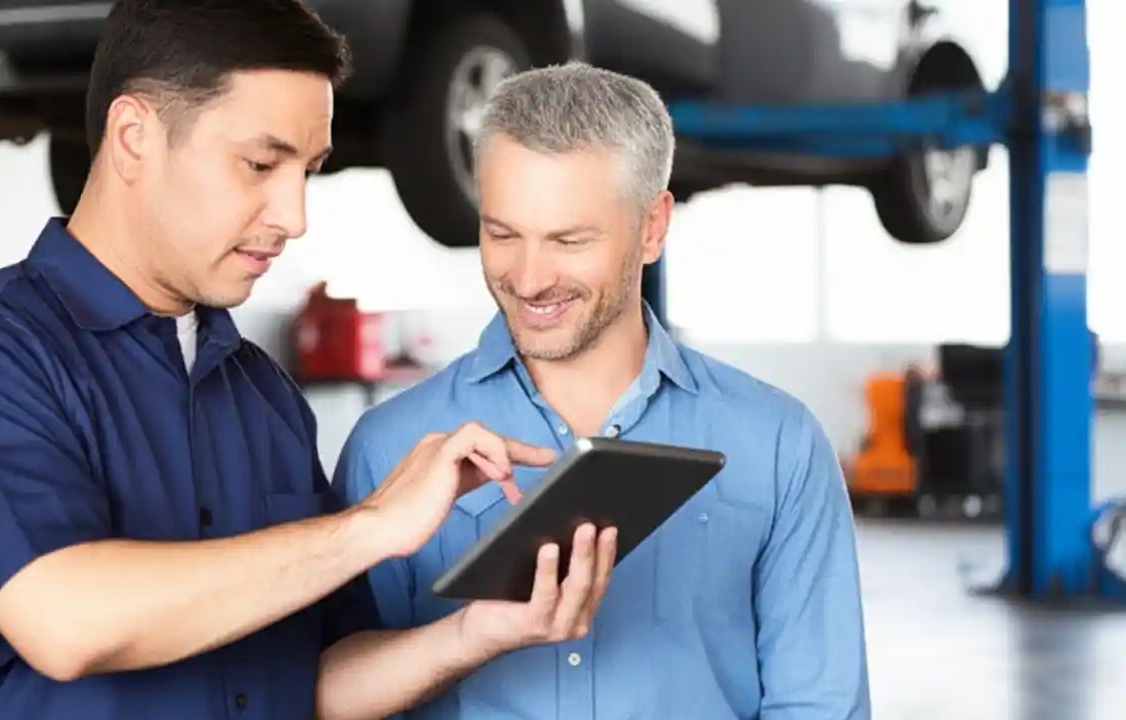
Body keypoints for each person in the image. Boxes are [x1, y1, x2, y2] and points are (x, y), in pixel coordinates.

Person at [0, 3, 618, 719]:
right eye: (260, 165)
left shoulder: (262, 396)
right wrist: (370, 527)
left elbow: (303, 685)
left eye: (308, 171)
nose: (294, 217)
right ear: (133, 137)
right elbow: (65, 622)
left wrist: (473, 635)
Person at [334, 62, 872, 719]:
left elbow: (818, 704)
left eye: (569, 240)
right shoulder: (390, 447)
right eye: (502, 234)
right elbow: (323, 688)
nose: (529, 279)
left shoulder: (777, 446)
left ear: (652, 228)